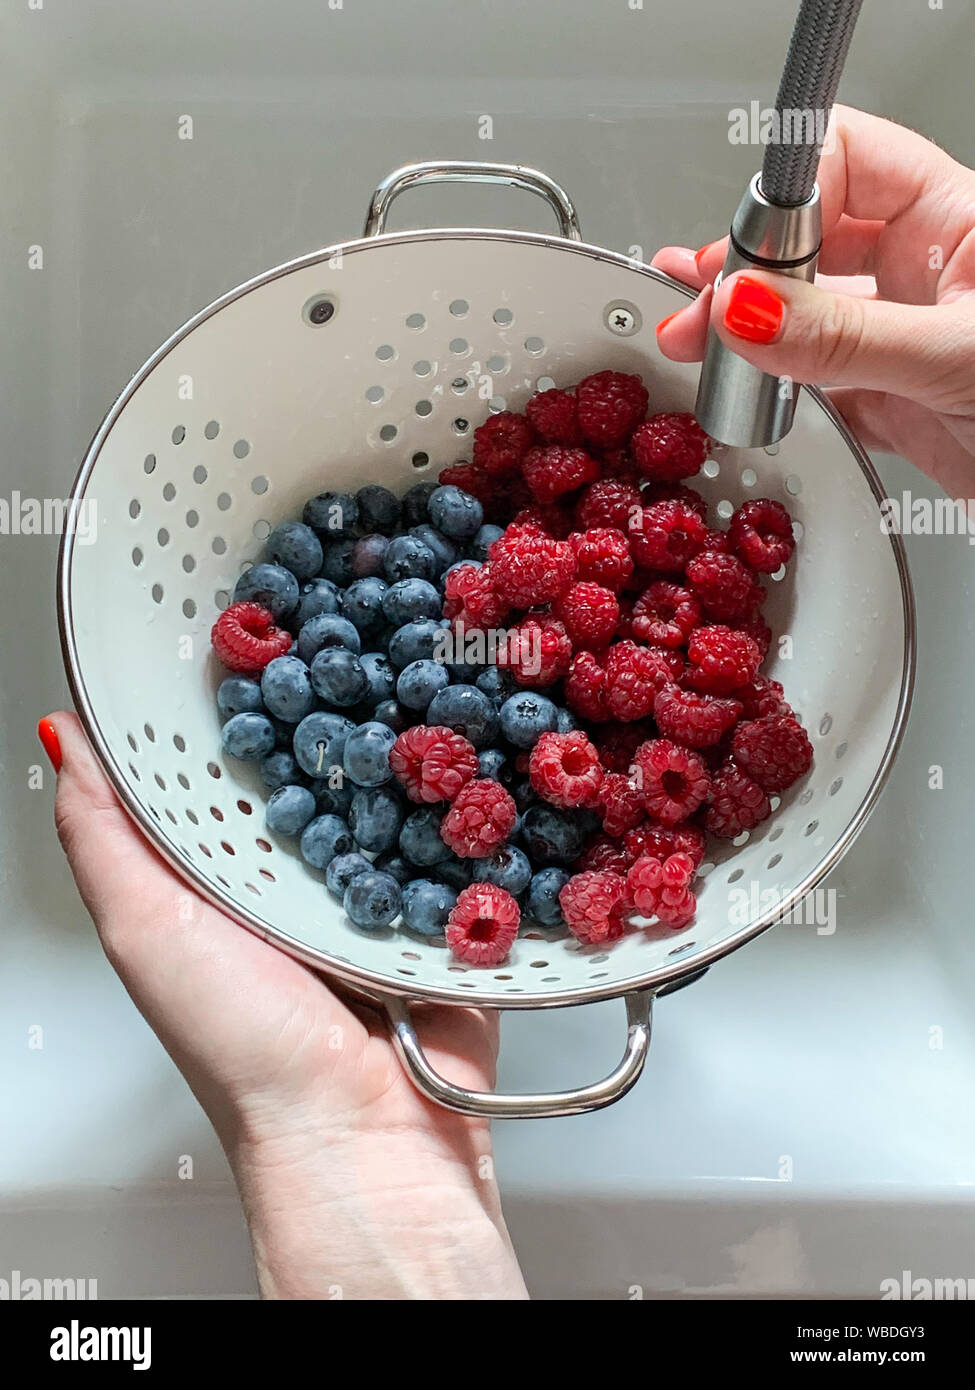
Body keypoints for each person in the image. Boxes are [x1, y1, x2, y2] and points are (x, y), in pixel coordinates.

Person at [38, 107, 975, 1300]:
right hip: (524, 686)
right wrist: (345, 1138)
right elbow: (430, 706)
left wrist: (349, 1147)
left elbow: (554, 704)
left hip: (564, 678)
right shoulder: (436, 673)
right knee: (377, 708)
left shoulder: (564, 675)